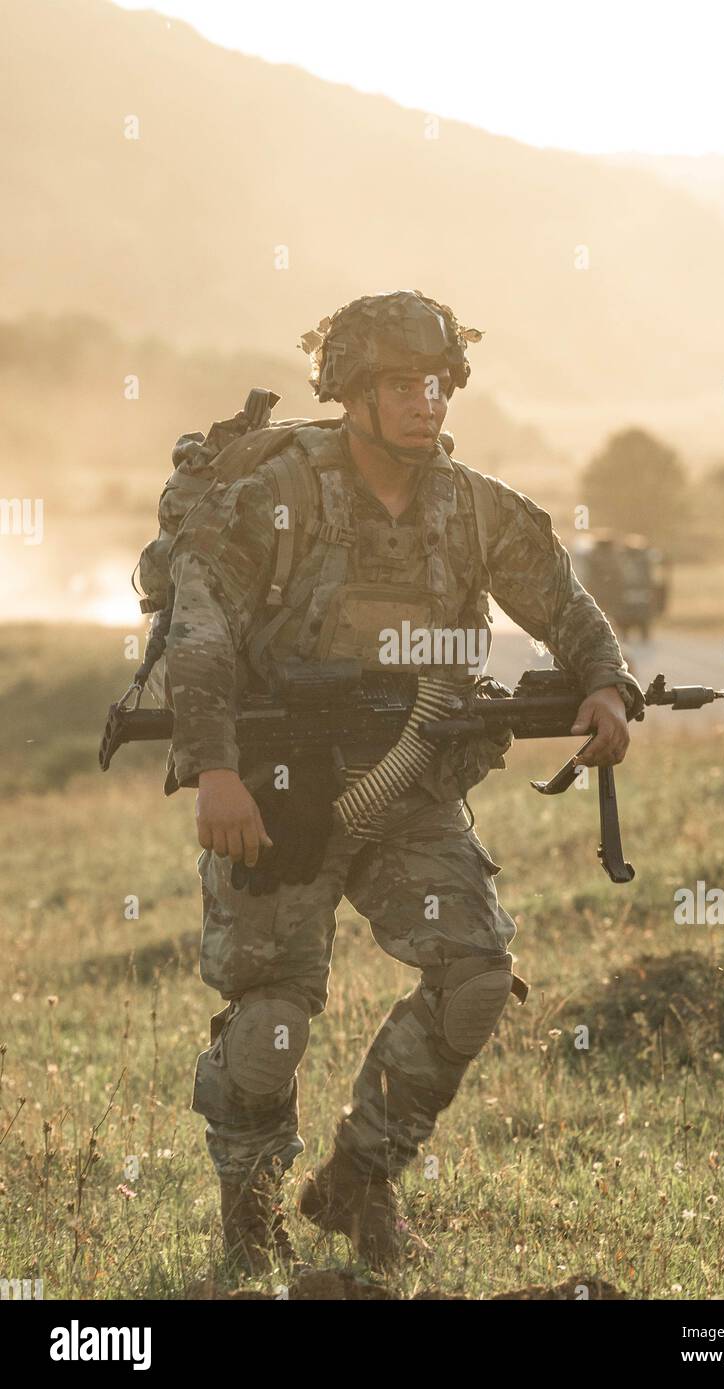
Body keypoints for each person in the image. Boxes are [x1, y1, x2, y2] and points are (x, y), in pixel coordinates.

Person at [161, 289, 644, 1276]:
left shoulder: (470, 506)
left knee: (472, 980)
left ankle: (361, 1180)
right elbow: (198, 625)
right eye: (398, 384)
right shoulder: (276, 495)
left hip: (411, 779)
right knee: (271, 1022)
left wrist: (605, 685)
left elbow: (563, 600)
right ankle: (248, 1226)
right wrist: (214, 770)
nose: (423, 402)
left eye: (436, 382)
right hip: (278, 788)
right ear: (350, 391)